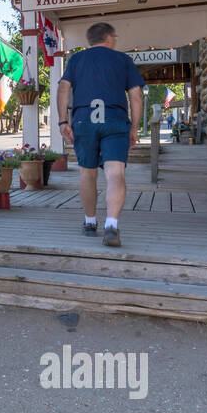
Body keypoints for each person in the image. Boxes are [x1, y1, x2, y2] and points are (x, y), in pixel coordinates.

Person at [56, 22, 146, 247]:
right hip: (115, 120)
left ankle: (89, 222)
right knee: (116, 174)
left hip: (84, 119)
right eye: (113, 37)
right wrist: (134, 128)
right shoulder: (124, 60)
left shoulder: (76, 59)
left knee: (87, 173)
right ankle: (112, 226)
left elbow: (63, 88)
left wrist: (62, 121)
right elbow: (136, 97)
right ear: (108, 37)